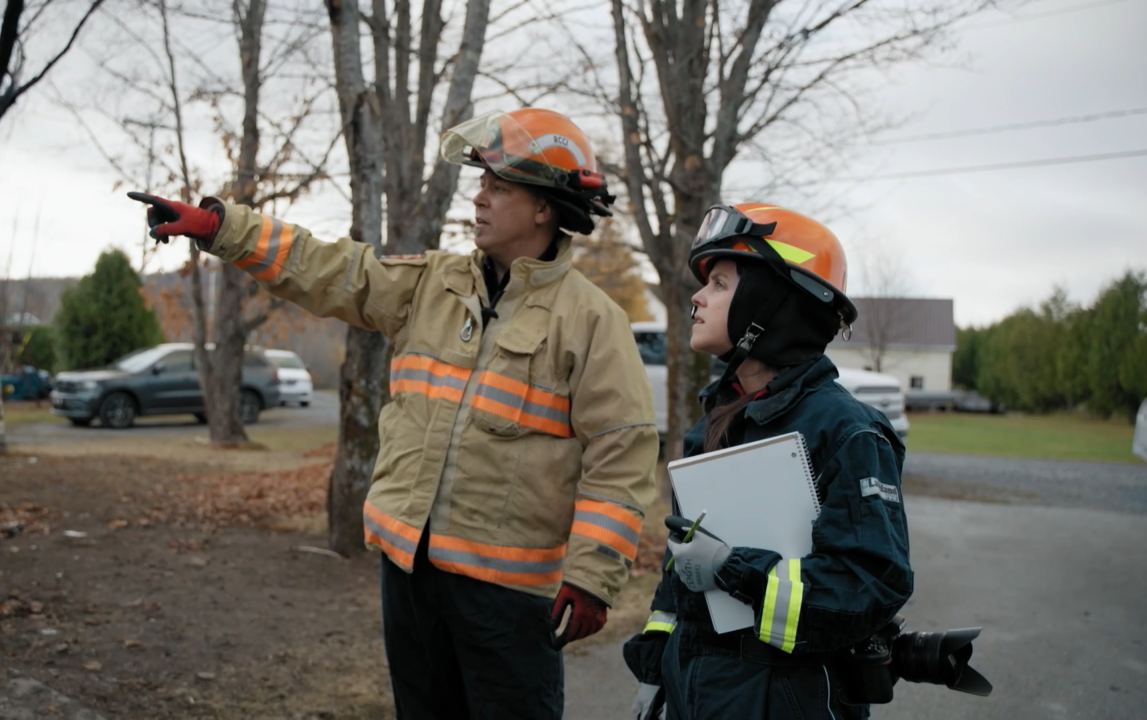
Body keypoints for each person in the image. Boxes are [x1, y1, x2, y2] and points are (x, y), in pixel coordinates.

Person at [129, 108, 659, 719]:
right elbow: (329, 268)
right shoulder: (432, 284)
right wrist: (222, 228)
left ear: (543, 208)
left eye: (497, 187)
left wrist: (592, 576)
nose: (479, 200)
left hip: (508, 596)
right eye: (480, 185)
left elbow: (620, 454)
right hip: (410, 574)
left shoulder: (593, 321)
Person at [623, 204, 913, 720]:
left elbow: (868, 587)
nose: (696, 298)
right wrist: (656, 668)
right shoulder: (710, 425)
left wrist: (739, 573)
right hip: (693, 694)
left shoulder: (847, 432)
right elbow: (679, 573)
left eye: (720, 283)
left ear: (773, 301)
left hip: (786, 700)